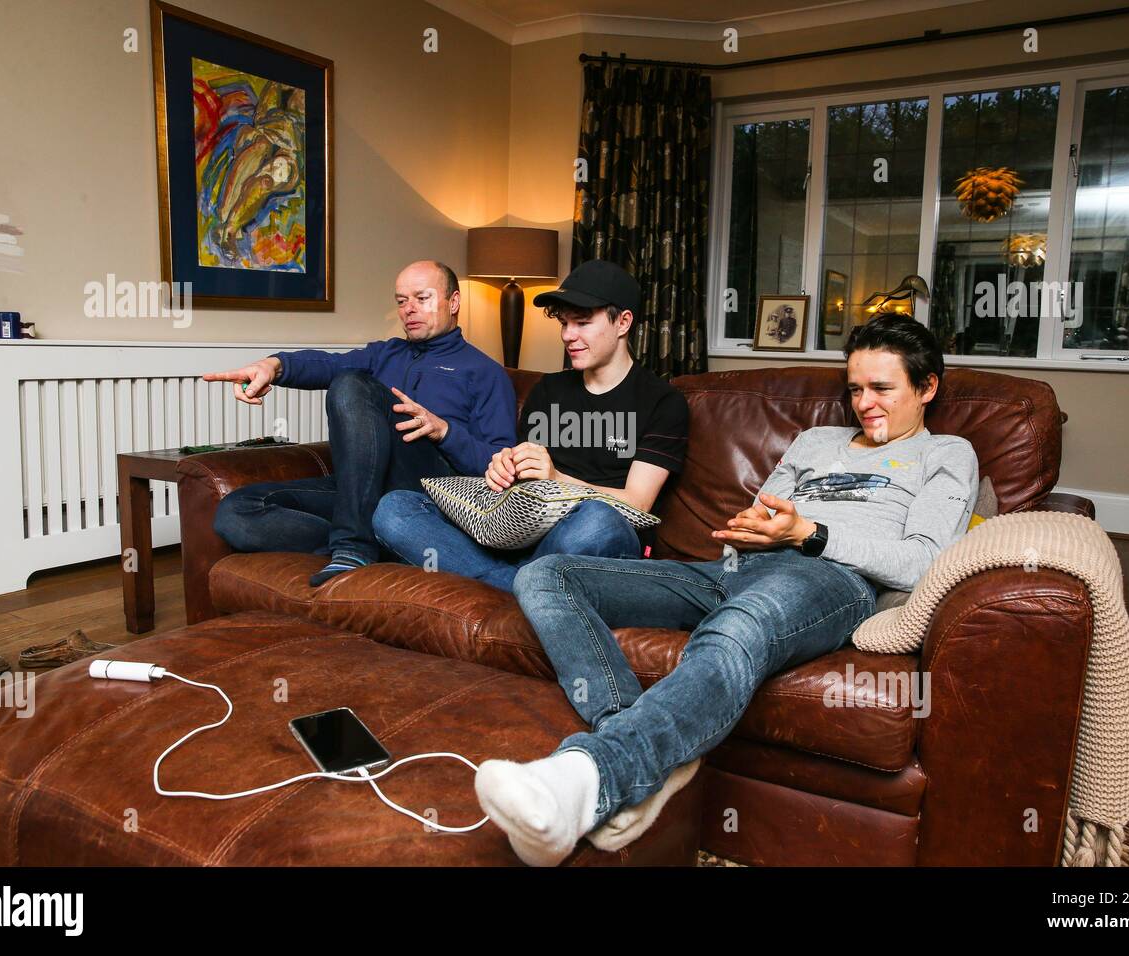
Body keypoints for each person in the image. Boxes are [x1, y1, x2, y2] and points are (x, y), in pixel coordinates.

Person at [473, 315, 980, 866]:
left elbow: (924, 561)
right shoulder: (816, 441)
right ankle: (637, 735)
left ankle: (589, 778)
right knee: (546, 574)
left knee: (740, 623)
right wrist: (752, 530)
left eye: (883, 388)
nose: (865, 403)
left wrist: (808, 533)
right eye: (855, 388)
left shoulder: (947, 454)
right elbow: (761, 511)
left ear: (926, 388)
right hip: (733, 568)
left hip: (830, 580)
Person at [372, 260, 689, 591]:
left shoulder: (662, 402)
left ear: (623, 322)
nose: (568, 336)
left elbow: (637, 503)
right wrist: (501, 467)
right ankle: (517, 585)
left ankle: (504, 580)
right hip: (529, 533)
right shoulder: (549, 389)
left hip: (601, 539)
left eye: (582, 323)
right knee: (396, 508)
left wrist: (556, 479)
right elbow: (522, 474)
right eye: (564, 324)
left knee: (596, 521)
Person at [206, 260, 517, 587]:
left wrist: (445, 431)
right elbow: (326, 363)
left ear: (453, 302)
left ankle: (353, 548)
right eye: (401, 301)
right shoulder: (386, 353)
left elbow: (498, 465)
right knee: (237, 511)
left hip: (425, 492)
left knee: (351, 383)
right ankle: (377, 540)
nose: (409, 309)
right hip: (363, 488)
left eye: (422, 298)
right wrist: (273, 366)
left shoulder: (485, 372)